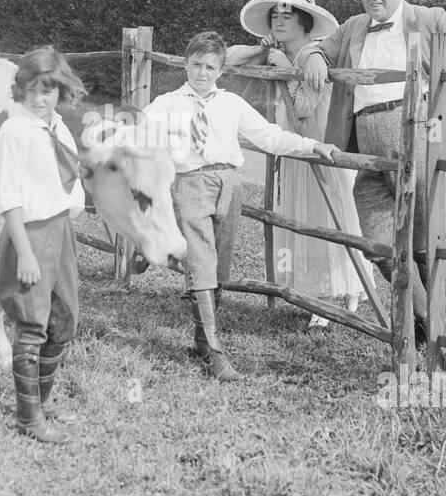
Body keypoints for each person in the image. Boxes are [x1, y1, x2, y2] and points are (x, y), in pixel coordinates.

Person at [305, 0, 446, 367]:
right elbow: (318, 48)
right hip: (368, 145)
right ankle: (433, 324)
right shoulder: (353, 28)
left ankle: (426, 340)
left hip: (420, 135)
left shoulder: (430, 19)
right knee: (378, 240)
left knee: (420, 245)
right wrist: (313, 58)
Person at [145, 31, 341, 380]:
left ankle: (201, 342)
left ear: (221, 70)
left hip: (228, 185)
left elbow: (268, 135)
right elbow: (138, 125)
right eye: (195, 65)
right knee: (201, 261)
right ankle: (215, 355)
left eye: (209, 67)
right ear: (185, 64)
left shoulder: (230, 104)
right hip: (189, 182)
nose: (201, 73)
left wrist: (312, 146)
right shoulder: (168, 103)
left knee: (218, 266)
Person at [226, 0, 370, 330]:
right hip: (294, 150)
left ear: (305, 22)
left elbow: (305, 108)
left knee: (329, 220)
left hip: (319, 149)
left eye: (288, 15)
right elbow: (228, 59)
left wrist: (287, 70)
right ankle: (328, 293)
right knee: (302, 220)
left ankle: (333, 297)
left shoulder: (310, 55)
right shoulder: (280, 50)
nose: (279, 20)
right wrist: (262, 48)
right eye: (275, 15)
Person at [0, 46, 87, 444]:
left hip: (59, 230)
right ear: (20, 89)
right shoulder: (14, 131)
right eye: (31, 88)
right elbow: (8, 197)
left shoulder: (58, 127)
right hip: (27, 234)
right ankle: (28, 418)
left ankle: (43, 402)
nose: (38, 97)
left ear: (60, 91)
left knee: (64, 319)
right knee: (33, 324)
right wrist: (26, 254)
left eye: (47, 89)